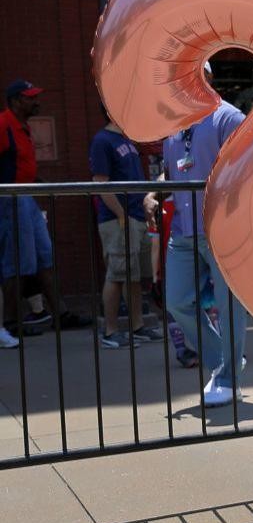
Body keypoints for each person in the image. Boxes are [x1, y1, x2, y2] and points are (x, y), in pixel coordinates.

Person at [158, 91, 249, 407]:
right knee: (176, 302)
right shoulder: (173, 124)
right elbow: (172, 171)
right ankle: (226, 363)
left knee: (229, 306)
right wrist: (154, 194)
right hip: (184, 229)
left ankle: (228, 379)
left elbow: (247, 169)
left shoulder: (228, 117)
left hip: (221, 231)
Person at [0, 79, 90, 339]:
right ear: (16, 101)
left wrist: (35, 181)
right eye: (29, 97)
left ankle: (60, 315)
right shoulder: (4, 124)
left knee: (44, 257)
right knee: (17, 263)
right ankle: (11, 323)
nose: (35, 101)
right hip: (10, 199)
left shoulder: (22, 127)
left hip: (26, 196)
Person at [88, 110, 163, 348]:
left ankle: (137, 326)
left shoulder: (126, 140)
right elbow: (100, 184)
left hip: (136, 216)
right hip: (118, 219)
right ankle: (110, 332)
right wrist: (121, 215)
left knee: (135, 276)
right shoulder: (102, 140)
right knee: (117, 274)